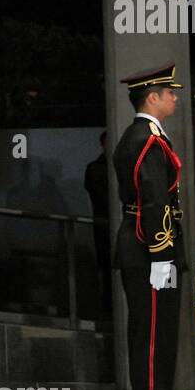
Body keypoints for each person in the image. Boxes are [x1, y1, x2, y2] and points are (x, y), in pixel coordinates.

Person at [110, 63, 195, 390]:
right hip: (148, 249)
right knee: (149, 338)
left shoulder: (148, 136)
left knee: (158, 334)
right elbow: (152, 200)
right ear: (153, 97)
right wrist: (161, 254)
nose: (175, 98)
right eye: (170, 92)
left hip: (147, 247)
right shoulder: (144, 139)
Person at [83, 131, 112, 310]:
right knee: (107, 267)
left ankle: (107, 305)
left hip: (105, 223)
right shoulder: (96, 168)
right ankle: (107, 306)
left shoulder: (96, 168)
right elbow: (100, 196)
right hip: (105, 224)